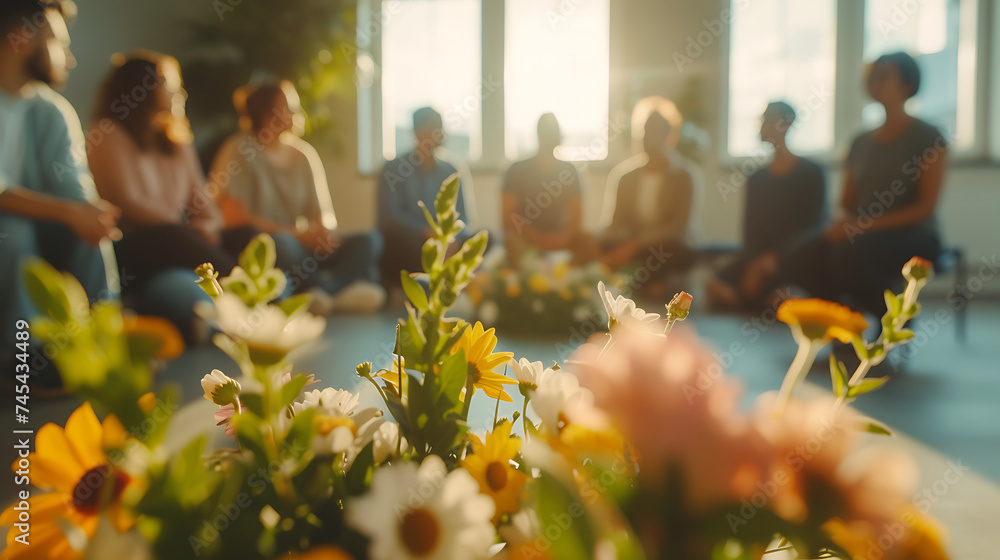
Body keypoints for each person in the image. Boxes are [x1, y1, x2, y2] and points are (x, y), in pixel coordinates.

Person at [0, 0, 120, 383]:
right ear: (20, 39)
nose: (68, 59)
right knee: (13, 230)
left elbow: (73, 189)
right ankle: (23, 361)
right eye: (58, 44)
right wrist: (68, 212)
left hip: (38, 230)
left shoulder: (52, 110)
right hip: (13, 234)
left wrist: (89, 214)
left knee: (89, 234)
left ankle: (102, 345)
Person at [778, 52, 946, 315]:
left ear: (908, 84)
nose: (874, 83)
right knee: (796, 255)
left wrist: (863, 226)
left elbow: (925, 208)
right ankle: (842, 317)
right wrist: (845, 224)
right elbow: (846, 202)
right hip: (860, 230)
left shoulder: (929, 138)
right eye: (872, 77)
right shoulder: (860, 142)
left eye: (884, 76)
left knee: (846, 255)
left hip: (913, 235)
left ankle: (889, 318)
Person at [88, 52, 263, 291]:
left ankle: (264, 292)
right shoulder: (106, 134)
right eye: (170, 84)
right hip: (136, 246)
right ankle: (253, 297)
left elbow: (204, 204)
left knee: (248, 235)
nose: (180, 93)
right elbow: (126, 204)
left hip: (179, 238)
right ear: (142, 88)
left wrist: (207, 227)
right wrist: (185, 231)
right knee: (175, 237)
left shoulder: (178, 141)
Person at [209, 79, 385, 313]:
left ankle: (324, 290)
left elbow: (322, 216)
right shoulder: (239, 149)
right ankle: (332, 290)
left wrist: (324, 235)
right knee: (282, 244)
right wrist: (298, 235)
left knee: (369, 240)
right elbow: (232, 218)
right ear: (266, 112)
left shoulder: (304, 154)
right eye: (288, 105)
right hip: (270, 243)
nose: (296, 112)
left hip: (301, 247)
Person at [706, 102, 827, 310]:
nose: (763, 126)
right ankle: (755, 303)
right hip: (756, 260)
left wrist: (774, 260)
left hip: (793, 262)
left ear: (786, 125)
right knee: (712, 285)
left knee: (787, 295)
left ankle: (759, 303)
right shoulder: (757, 178)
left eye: (769, 120)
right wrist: (754, 263)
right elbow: (750, 229)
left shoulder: (812, 173)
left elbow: (813, 228)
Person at [601, 105, 699, 289]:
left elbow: (678, 227)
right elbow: (615, 223)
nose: (649, 139)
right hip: (632, 245)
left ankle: (647, 282)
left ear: (669, 136)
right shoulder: (625, 177)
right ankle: (644, 281)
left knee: (674, 251)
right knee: (595, 244)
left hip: (664, 247)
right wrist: (604, 246)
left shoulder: (684, 177)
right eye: (645, 132)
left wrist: (635, 245)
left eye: (655, 132)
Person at [377, 107, 470, 285]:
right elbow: (389, 217)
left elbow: (464, 218)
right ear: (416, 133)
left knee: (486, 239)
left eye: (437, 130)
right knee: (400, 241)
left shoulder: (452, 171)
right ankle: (432, 281)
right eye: (427, 129)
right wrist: (425, 232)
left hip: (447, 242)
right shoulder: (394, 169)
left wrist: (453, 240)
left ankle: (443, 275)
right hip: (411, 242)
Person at [502, 113, 591, 267]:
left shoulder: (569, 171)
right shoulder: (516, 170)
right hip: (526, 239)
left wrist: (561, 238)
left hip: (561, 239)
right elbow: (507, 218)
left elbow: (577, 216)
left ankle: (574, 283)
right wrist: (537, 238)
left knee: (588, 241)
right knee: (511, 240)